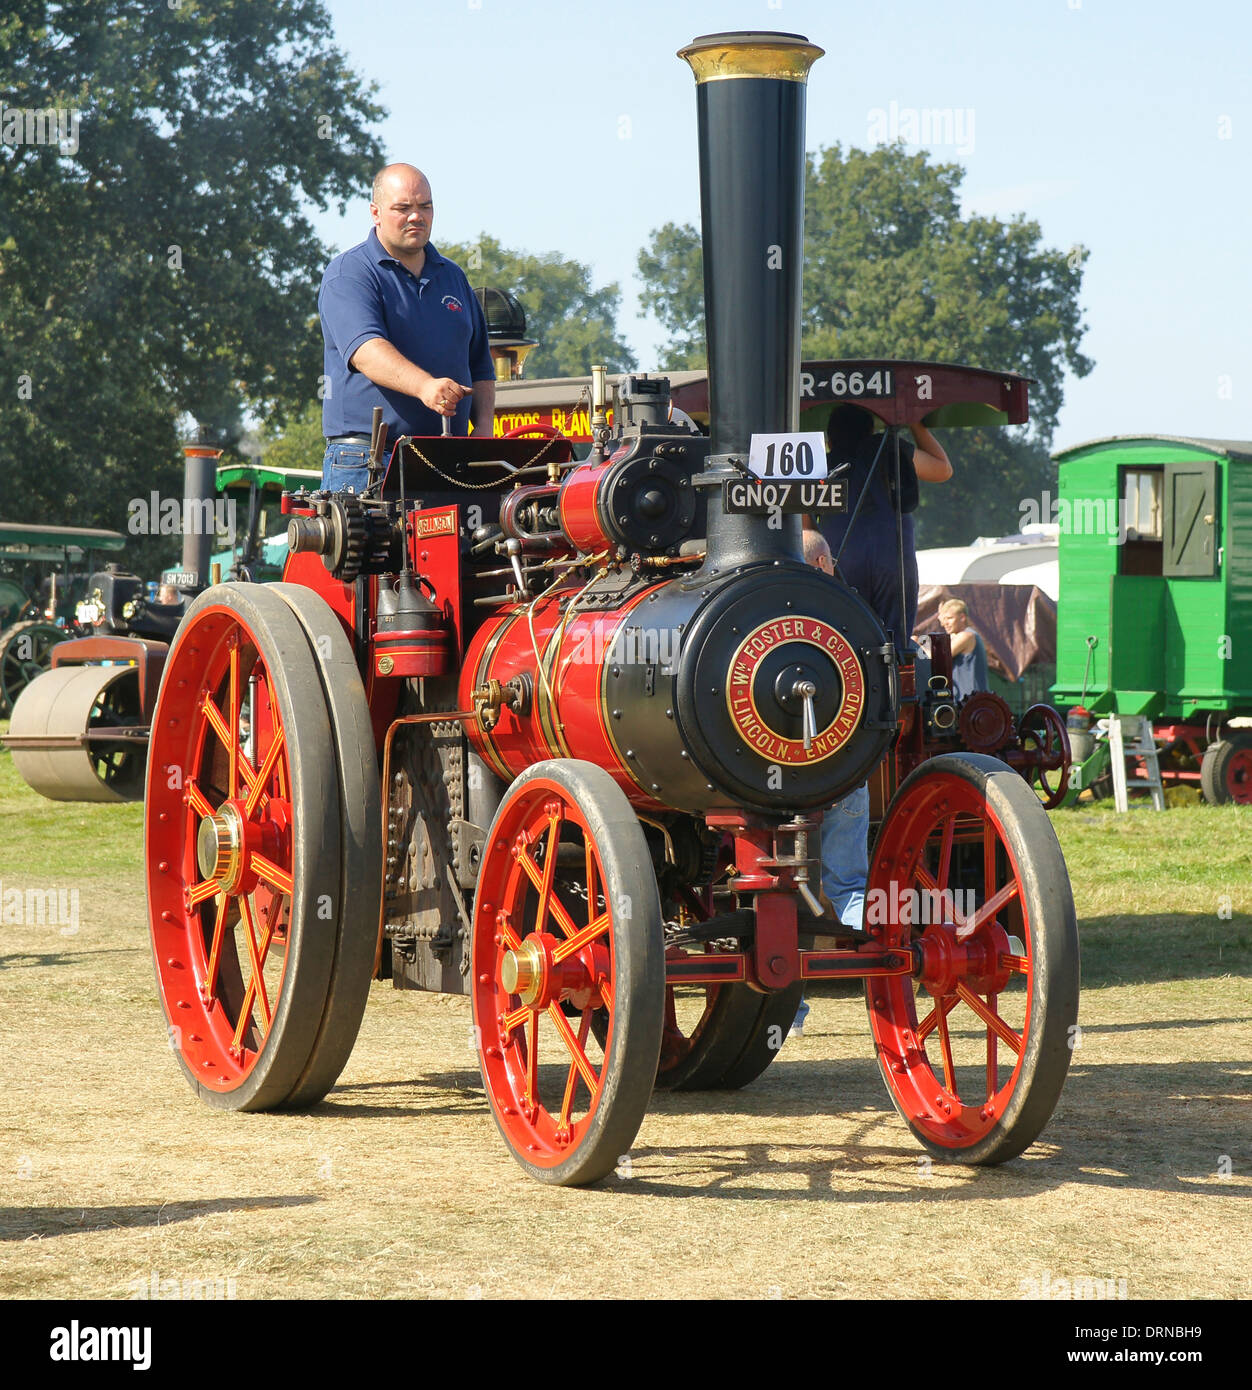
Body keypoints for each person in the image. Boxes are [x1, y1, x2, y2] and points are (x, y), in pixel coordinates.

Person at [317, 163, 497, 492]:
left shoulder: (453, 276)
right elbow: (366, 351)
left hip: (449, 460)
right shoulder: (349, 273)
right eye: (403, 208)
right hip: (367, 460)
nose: (416, 216)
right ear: (375, 212)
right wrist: (426, 386)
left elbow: (480, 365)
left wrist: (484, 428)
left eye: (425, 206)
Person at [938, 598, 989, 701]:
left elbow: (939, 657)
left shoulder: (967, 636)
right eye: (944, 619)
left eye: (949, 618)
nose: (945, 623)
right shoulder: (956, 637)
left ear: (962, 617)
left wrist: (918, 646)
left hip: (972, 702)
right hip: (964, 701)